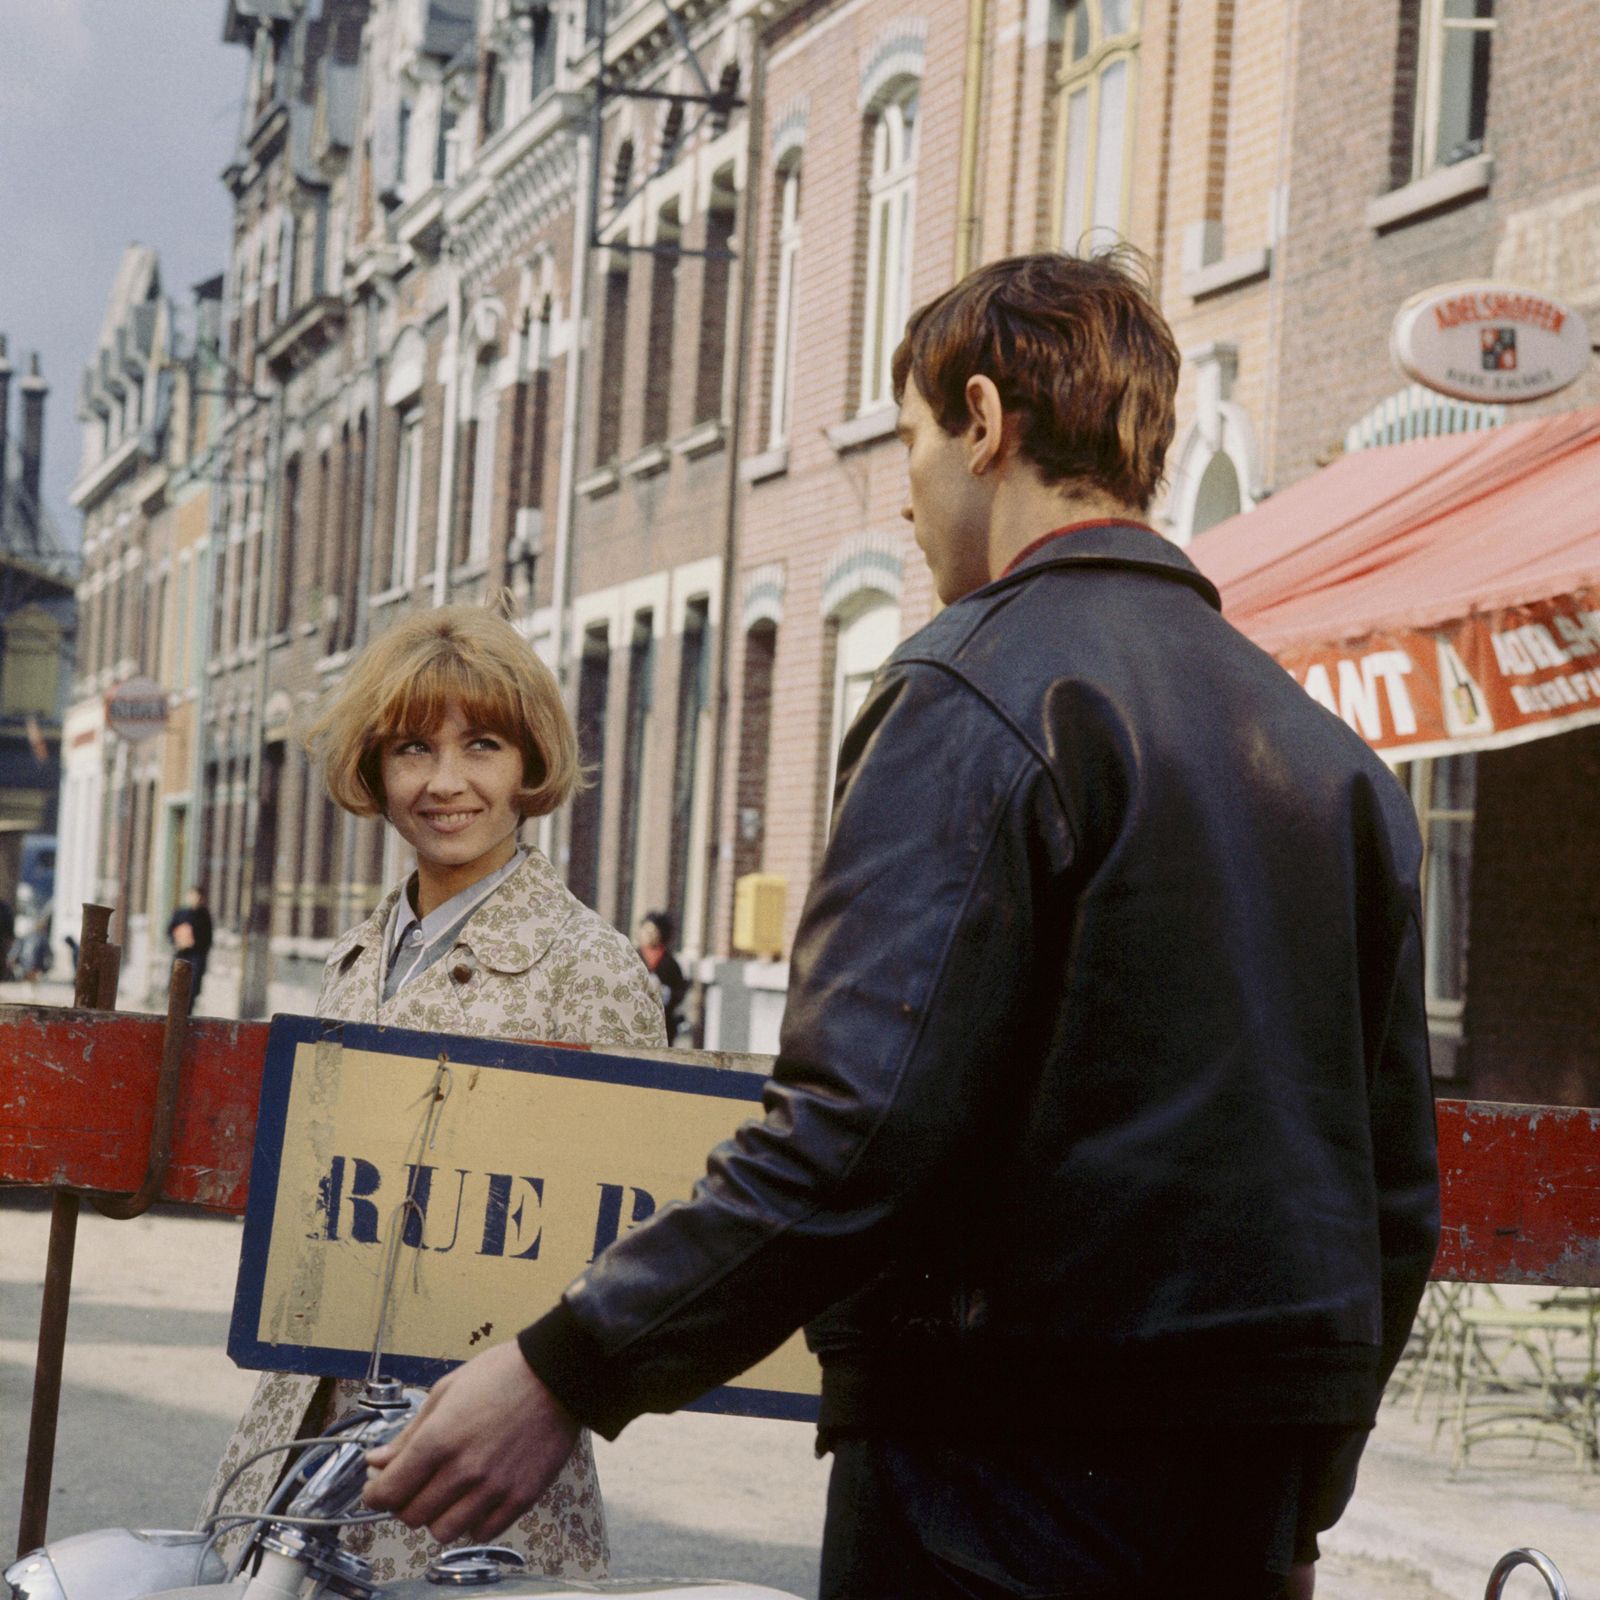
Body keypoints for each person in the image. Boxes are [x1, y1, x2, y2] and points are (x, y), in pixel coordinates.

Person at [362, 253, 1440, 1599]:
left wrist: (562, 1368)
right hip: (1255, 1507)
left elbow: (851, 1135)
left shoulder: (970, 695)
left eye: (915, 442)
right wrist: (1301, 1481)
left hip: (994, 1487)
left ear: (984, 423)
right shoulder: (1329, 755)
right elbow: (1395, 1190)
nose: (910, 496)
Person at [204, 605, 667, 1583]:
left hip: (479, 1474)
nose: (446, 782)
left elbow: (632, 1247)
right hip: (306, 1452)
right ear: (375, 770)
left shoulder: (592, 967)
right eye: (413, 748)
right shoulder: (359, 951)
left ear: (528, 758)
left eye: (483, 745)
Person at [635, 910, 688, 1043]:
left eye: (653, 931)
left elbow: (680, 990)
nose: (649, 935)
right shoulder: (632, 957)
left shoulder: (670, 963)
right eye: (646, 931)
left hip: (663, 1023)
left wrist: (665, 992)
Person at [168, 885, 213, 1008]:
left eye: (199, 897)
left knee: (191, 989)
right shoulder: (180, 913)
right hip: (181, 954)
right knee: (177, 986)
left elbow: (208, 938)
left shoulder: (205, 916)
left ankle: (187, 1013)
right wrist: (177, 942)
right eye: (193, 896)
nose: (196, 899)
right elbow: (170, 930)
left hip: (196, 956)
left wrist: (195, 943)